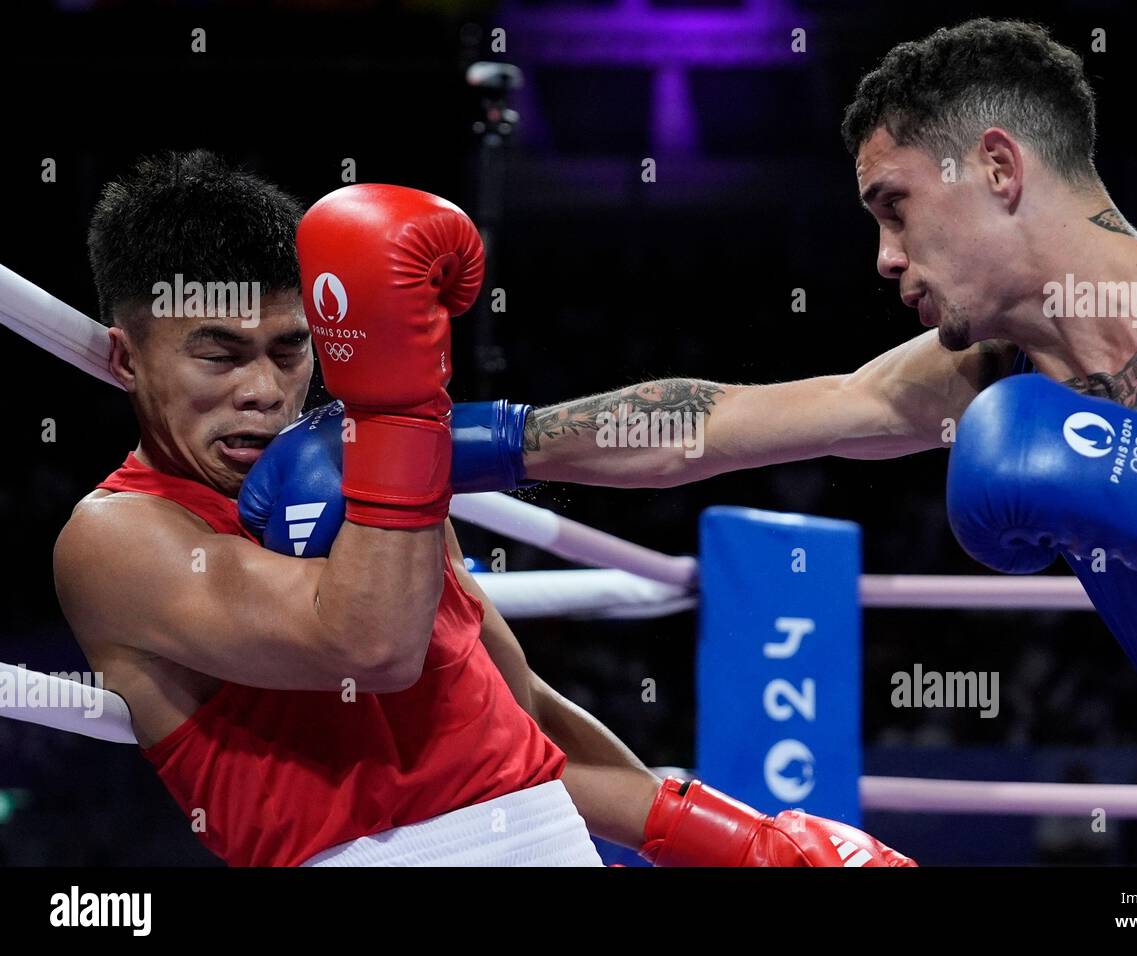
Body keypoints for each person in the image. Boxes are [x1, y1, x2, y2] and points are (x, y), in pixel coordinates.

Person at [474, 19, 1137, 864]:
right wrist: (483, 442)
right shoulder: (982, 376)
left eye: (895, 208)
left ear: (998, 167)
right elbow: (713, 428)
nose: (885, 257)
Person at [51, 149, 914, 868]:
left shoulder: (372, 475)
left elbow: (517, 714)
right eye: (219, 355)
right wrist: (399, 415)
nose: (263, 392)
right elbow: (369, 646)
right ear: (127, 359)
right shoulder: (122, 538)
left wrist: (739, 842)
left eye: (288, 351)